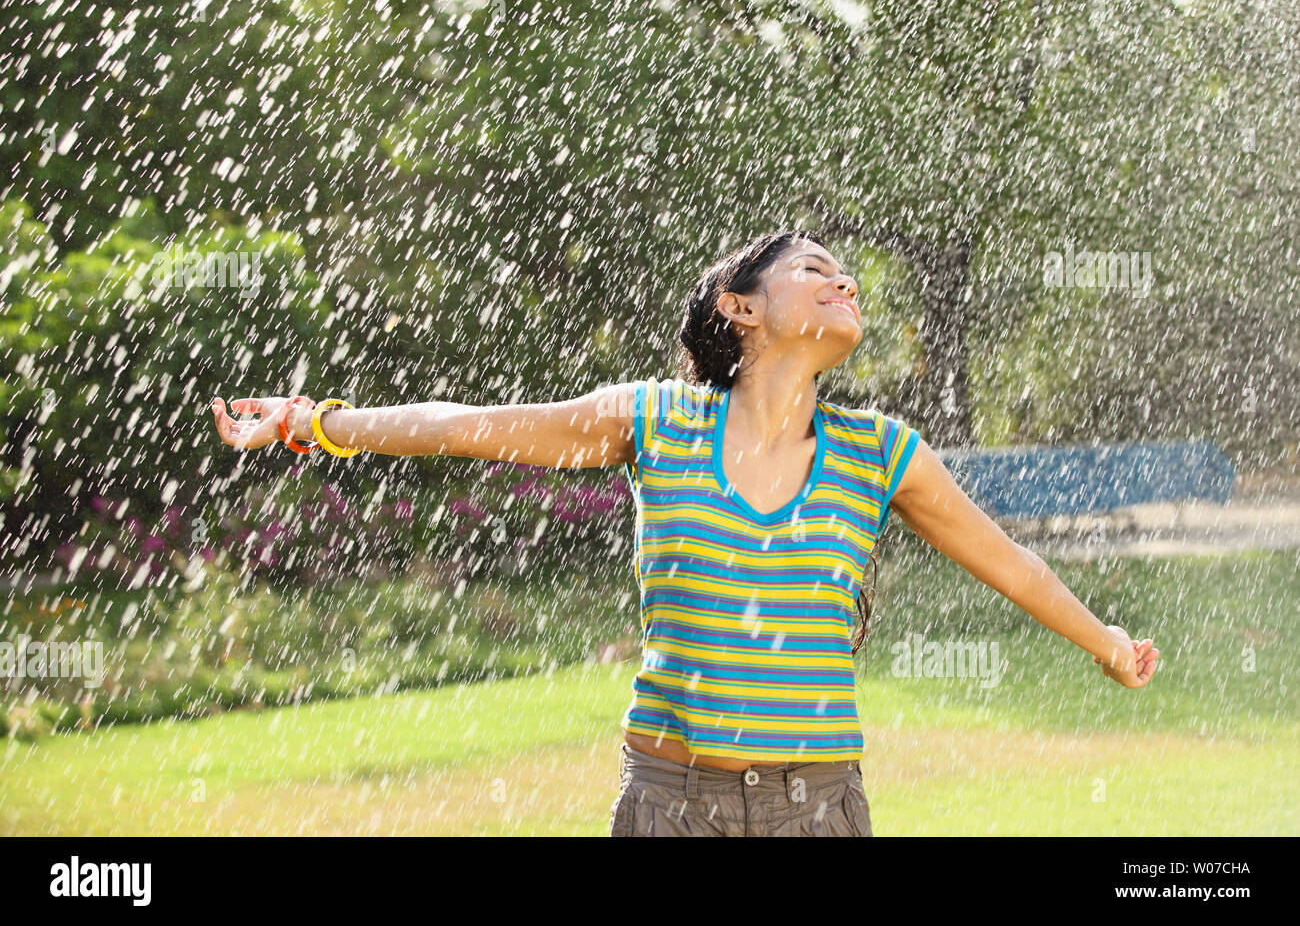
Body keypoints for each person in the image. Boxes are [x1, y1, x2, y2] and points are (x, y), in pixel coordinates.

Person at [211, 229, 1159, 837]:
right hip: (671, 804)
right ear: (739, 308)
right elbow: (468, 424)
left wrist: (1107, 643)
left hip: (817, 808)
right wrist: (312, 421)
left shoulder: (881, 452)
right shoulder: (656, 420)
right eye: (813, 270)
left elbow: (1013, 563)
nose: (844, 281)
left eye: (848, 275)